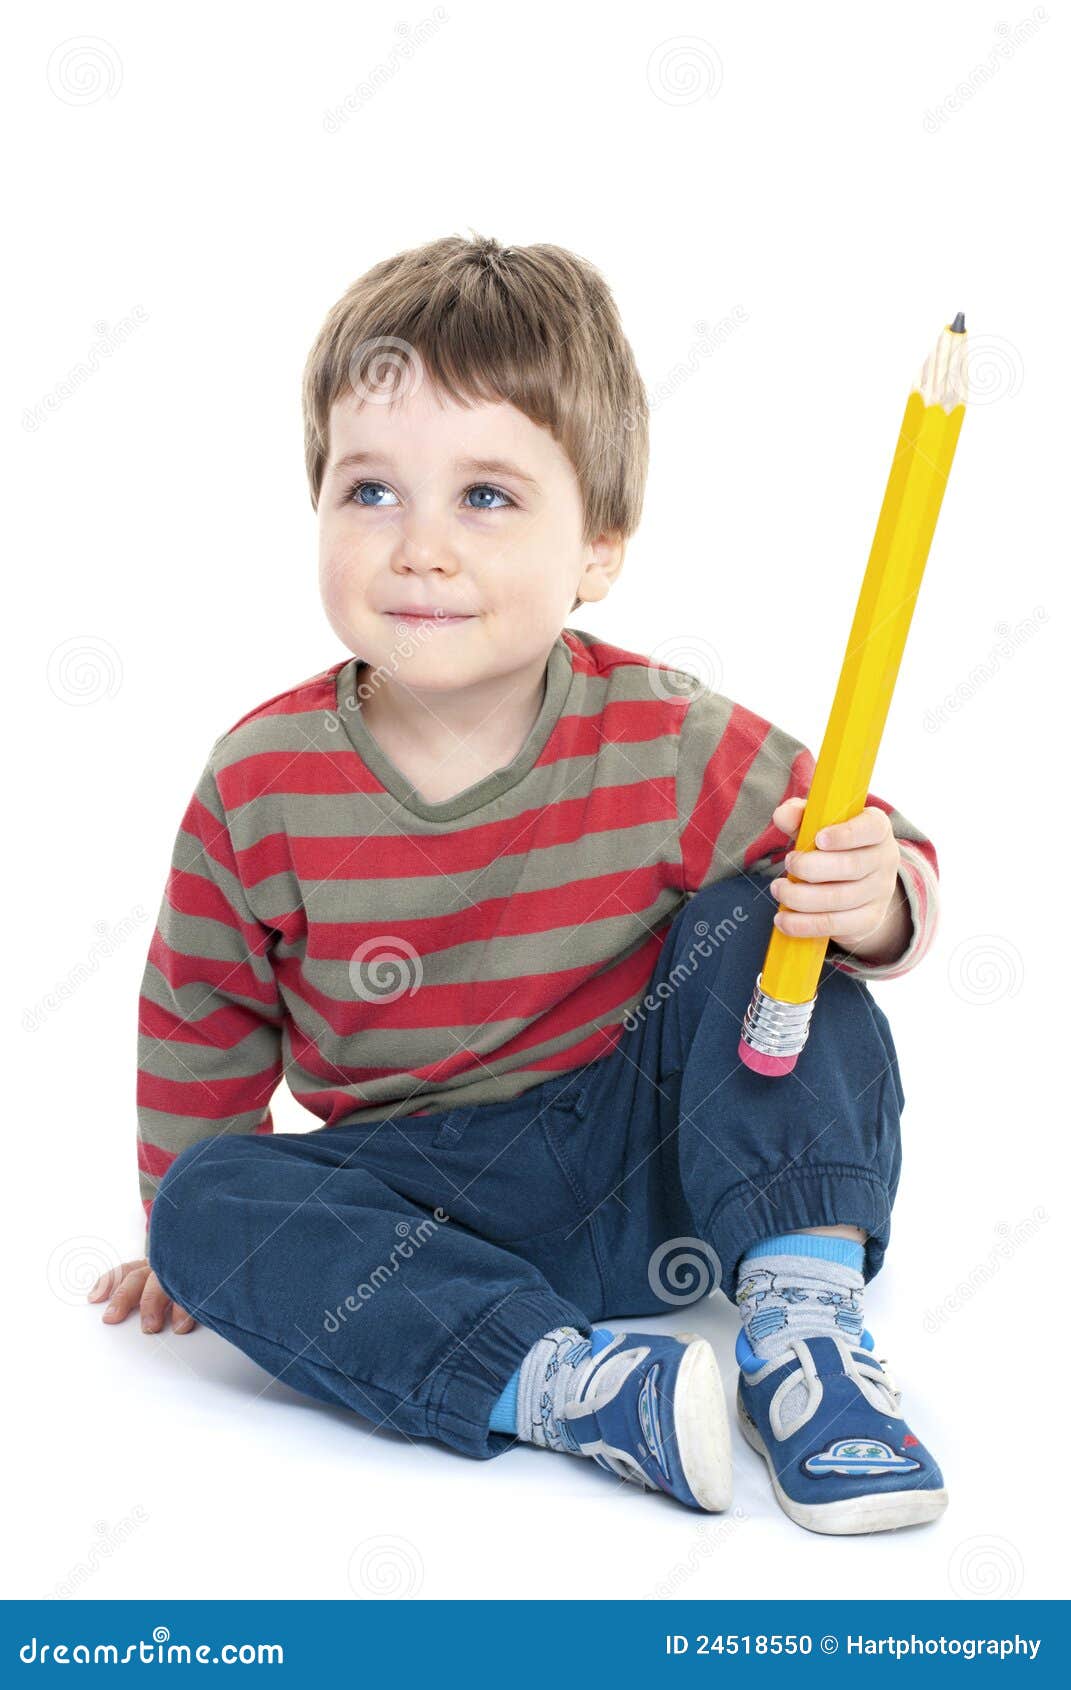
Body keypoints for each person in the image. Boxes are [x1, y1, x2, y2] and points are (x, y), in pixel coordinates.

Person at [89, 233, 946, 1535]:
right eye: (370, 492)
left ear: (596, 548)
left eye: (485, 497)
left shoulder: (662, 733)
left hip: (665, 1159)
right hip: (422, 1202)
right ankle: (578, 1383)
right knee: (210, 1204)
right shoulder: (260, 780)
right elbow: (200, 1008)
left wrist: (872, 892)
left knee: (767, 907)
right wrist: (186, 1233)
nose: (420, 547)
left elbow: (861, 837)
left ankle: (804, 1331)